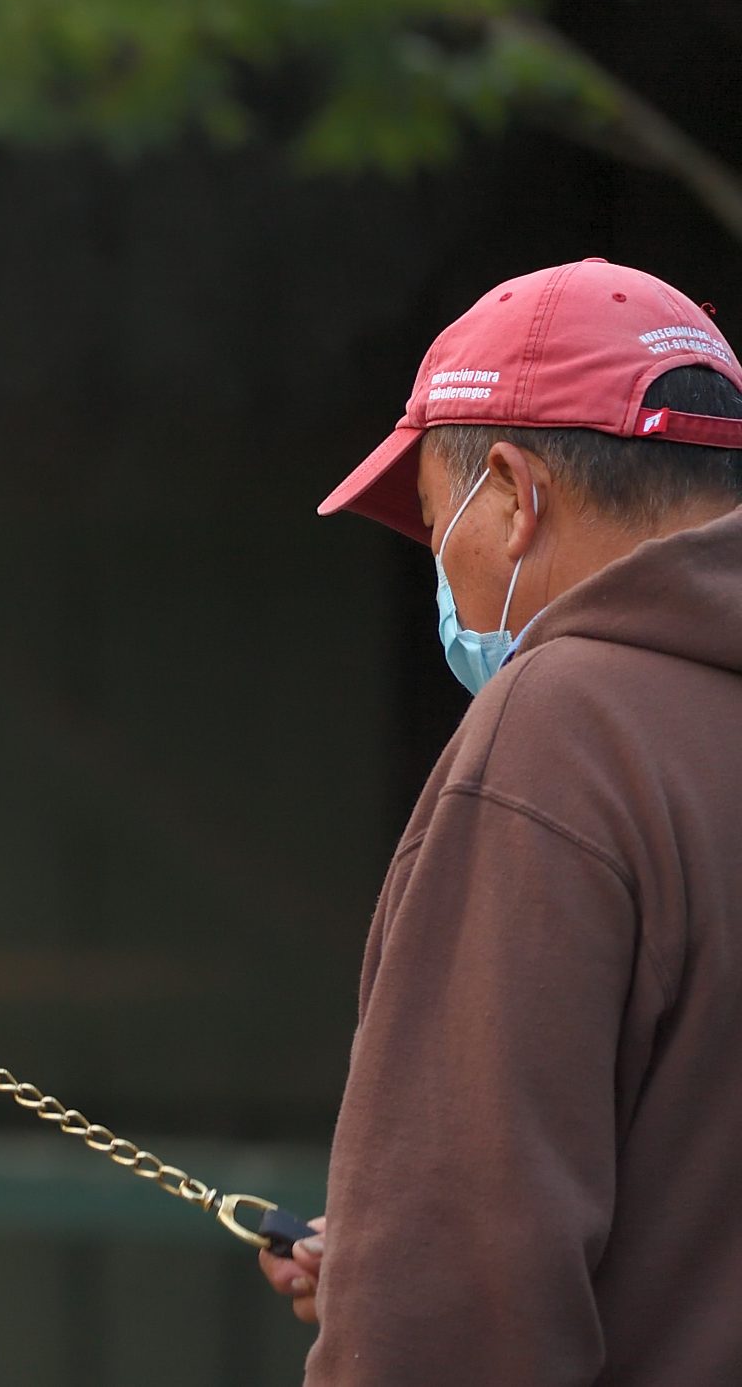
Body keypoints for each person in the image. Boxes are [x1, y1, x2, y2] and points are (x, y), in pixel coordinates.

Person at [272, 257, 742, 1384]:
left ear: (515, 493)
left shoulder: (564, 729)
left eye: (438, 530)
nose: (444, 582)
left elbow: (463, 1284)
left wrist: (404, 1277)